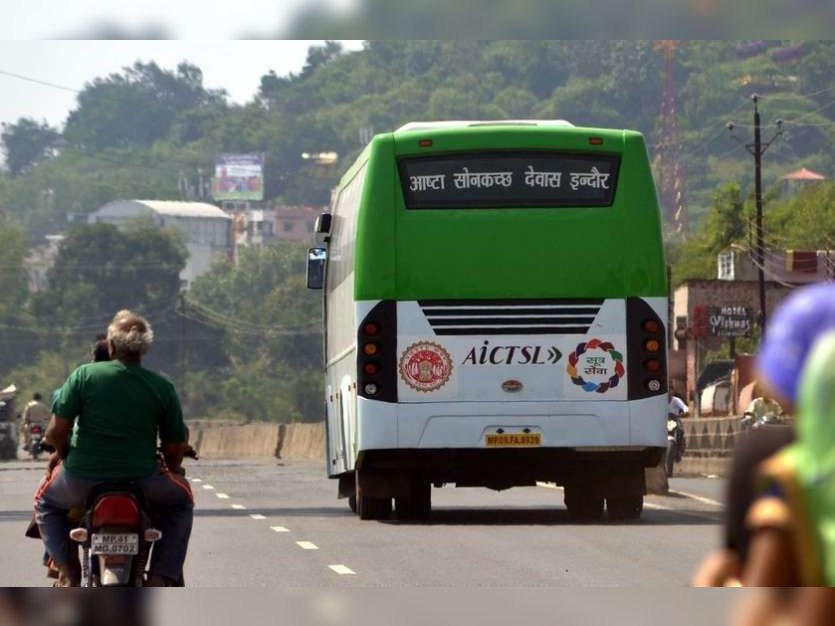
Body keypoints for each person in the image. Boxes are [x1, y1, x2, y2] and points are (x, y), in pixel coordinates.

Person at [35, 310, 193, 586]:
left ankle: (68, 572)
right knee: (182, 503)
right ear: (144, 348)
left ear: (111, 345)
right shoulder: (161, 386)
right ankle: (160, 575)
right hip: (142, 480)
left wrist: (64, 452)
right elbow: (174, 445)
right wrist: (172, 467)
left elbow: (56, 432)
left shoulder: (83, 376)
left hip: (81, 479)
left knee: (46, 504)